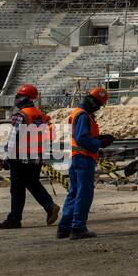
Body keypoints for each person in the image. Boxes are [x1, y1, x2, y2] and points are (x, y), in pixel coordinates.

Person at [0, 85, 60, 230]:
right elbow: (50, 136)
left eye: (19, 96)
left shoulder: (21, 115)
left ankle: (14, 220)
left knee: (17, 189)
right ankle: (49, 206)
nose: (17, 99)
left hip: (20, 158)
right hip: (36, 157)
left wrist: (5, 156)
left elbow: (13, 138)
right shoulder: (41, 115)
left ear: (27, 98)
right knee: (32, 183)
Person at [57, 87, 113, 239]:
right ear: (93, 102)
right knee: (84, 193)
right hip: (84, 158)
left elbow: (82, 135)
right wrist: (99, 143)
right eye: (99, 104)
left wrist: (100, 138)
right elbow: (82, 138)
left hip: (75, 157)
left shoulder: (79, 113)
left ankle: (64, 227)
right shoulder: (83, 115)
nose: (99, 108)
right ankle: (78, 227)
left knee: (74, 192)